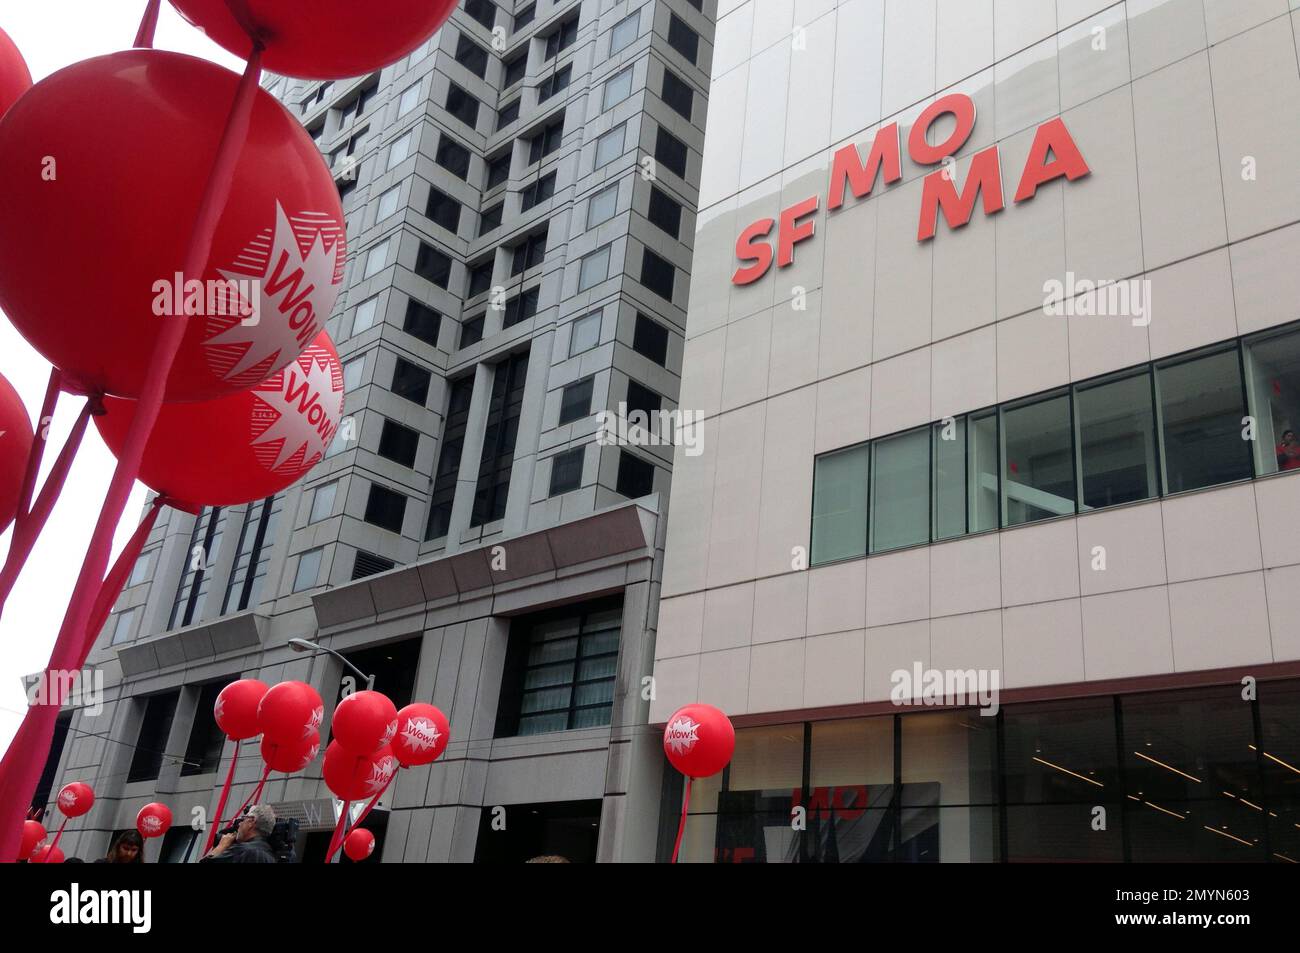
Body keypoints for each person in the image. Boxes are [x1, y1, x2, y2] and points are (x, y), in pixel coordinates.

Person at [199, 804, 278, 864]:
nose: (239, 824)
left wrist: (221, 846)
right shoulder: (272, 857)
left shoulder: (242, 850)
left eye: (243, 819)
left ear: (251, 821)